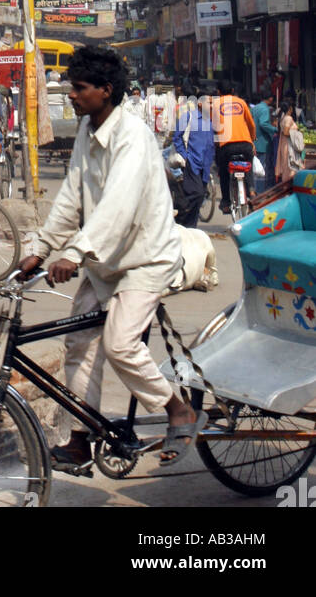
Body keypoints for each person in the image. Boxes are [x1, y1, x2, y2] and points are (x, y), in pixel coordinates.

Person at [17, 44, 202, 472]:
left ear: (106, 89)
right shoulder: (86, 131)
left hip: (145, 260)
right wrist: (41, 248)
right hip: (105, 263)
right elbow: (70, 199)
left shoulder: (133, 136)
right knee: (79, 345)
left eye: (79, 88)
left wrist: (75, 252)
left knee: (119, 345)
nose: (72, 95)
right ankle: (80, 438)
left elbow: (118, 205)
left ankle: (179, 410)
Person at [213, 78, 256, 214]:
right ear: (232, 91)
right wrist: (252, 140)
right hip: (245, 144)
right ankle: (252, 192)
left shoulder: (215, 104)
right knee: (248, 165)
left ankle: (226, 202)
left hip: (226, 146)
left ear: (219, 92)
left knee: (224, 171)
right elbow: (251, 125)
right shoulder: (241, 102)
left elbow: (214, 127)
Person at [171, 91, 214, 228]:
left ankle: (190, 226)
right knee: (196, 193)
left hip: (205, 165)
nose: (212, 106)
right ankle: (178, 218)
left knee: (200, 197)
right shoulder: (188, 117)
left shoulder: (209, 121)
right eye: (209, 102)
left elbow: (210, 144)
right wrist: (185, 155)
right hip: (192, 162)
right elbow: (177, 138)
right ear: (200, 103)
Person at [250, 88, 276, 192]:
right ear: (270, 98)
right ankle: (259, 194)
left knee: (256, 169)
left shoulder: (255, 108)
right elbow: (263, 123)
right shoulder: (265, 109)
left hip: (254, 142)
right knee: (261, 170)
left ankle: (255, 191)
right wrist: (275, 129)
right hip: (263, 144)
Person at [276, 100, 306, 183]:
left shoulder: (283, 118)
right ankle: (289, 186)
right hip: (289, 145)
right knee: (290, 166)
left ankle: (287, 185)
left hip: (285, 144)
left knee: (287, 166)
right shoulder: (288, 118)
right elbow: (286, 132)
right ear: (290, 108)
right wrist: (297, 134)